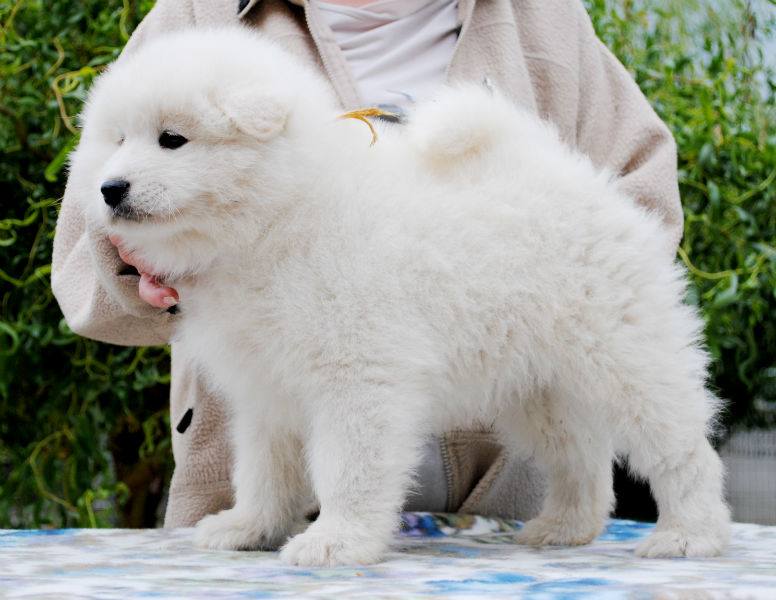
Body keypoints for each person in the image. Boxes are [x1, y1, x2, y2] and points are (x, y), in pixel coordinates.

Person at [51, 0, 683, 529]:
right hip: (259, 538)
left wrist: (543, 280)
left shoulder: (537, 14)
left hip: (495, 517)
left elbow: (638, 197)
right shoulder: (203, 10)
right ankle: (270, 508)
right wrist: (142, 260)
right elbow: (97, 213)